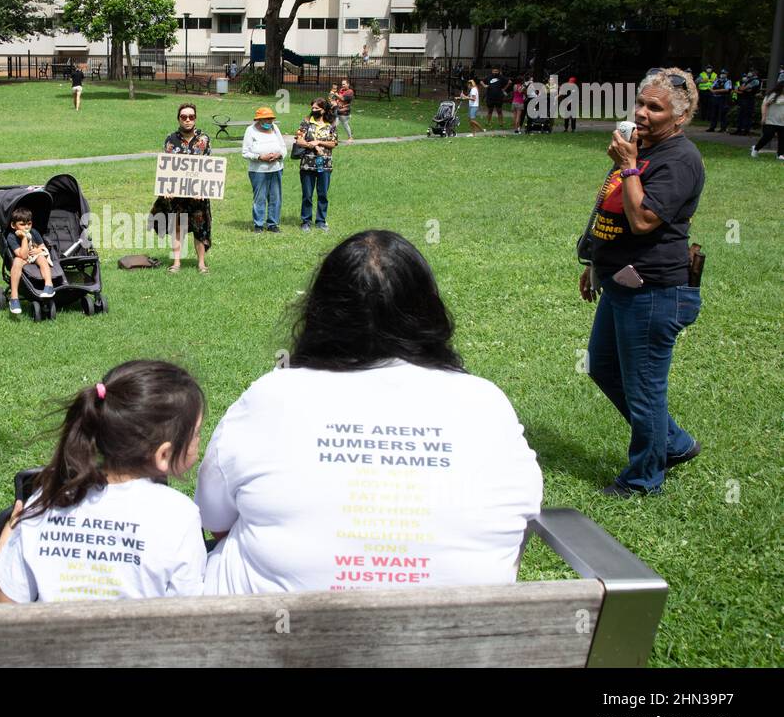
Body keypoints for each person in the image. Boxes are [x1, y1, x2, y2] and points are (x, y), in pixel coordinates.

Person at [195, 230, 543, 594]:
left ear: (318, 312)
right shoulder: (485, 405)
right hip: (458, 645)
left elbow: (214, 518)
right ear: (428, 310)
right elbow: (519, 520)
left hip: (268, 643)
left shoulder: (270, 396)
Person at [579, 67, 705, 497]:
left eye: (655, 107)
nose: (643, 113)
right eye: (640, 104)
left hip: (655, 290)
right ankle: (674, 443)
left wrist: (630, 167)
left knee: (644, 390)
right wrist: (596, 262)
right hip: (620, 282)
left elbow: (644, 219)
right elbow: (613, 214)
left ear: (680, 117)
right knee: (601, 365)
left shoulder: (680, 159)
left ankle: (643, 479)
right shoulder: (643, 149)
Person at [0, 360, 207, 602]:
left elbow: (7, 603)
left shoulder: (46, 499)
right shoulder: (179, 515)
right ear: (163, 455)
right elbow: (187, 614)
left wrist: (4, 552)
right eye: (196, 433)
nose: (199, 438)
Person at [149, 103, 212, 273]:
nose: (187, 120)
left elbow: (208, 167)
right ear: (179, 119)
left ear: (195, 118)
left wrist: (203, 190)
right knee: (178, 227)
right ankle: (176, 263)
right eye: (184, 117)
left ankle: (201, 264)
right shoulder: (171, 139)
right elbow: (167, 167)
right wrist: (167, 189)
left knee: (200, 230)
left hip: (198, 194)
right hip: (177, 195)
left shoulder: (204, 139)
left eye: (191, 116)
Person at [295, 98, 338, 232]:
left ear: (323, 110)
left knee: (323, 194)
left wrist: (318, 142)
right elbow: (299, 140)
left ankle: (321, 221)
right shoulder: (306, 122)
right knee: (307, 194)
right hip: (307, 164)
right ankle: (306, 221)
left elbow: (334, 143)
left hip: (325, 164)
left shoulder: (331, 124)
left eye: (317, 109)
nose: (314, 110)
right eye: (312, 108)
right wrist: (311, 145)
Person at [5, 206, 57, 315]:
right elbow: (23, 255)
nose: (26, 227)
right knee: (17, 261)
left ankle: (49, 285)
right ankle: (14, 297)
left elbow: (43, 247)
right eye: (22, 224)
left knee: (42, 257)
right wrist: (24, 238)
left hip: (34, 256)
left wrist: (38, 250)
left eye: (29, 224)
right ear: (13, 225)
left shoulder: (34, 232)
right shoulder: (11, 237)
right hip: (24, 258)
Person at [243, 106, 285, 232]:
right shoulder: (250, 130)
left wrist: (279, 155)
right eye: (266, 119)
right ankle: (259, 225)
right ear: (259, 120)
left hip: (276, 168)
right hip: (258, 171)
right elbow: (245, 152)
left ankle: (273, 224)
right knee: (259, 198)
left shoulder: (275, 128)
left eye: (270, 119)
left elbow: (283, 147)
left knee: (275, 197)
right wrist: (260, 157)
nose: (269, 122)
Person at [751, 80, 784, 158]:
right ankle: (756, 148)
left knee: (782, 138)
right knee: (768, 136)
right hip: (770, 120)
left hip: (782, 122)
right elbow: (764, 105)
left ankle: (780, 154)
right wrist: (763, 117)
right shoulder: (773, 95)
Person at [732, 69, 760, 135]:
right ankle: (739, 129)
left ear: (755, 73)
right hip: (743, 99)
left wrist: (742, 88)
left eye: (751, 72)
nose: (749, 73)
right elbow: (741, 89)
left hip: (749, 99)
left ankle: (746, 130)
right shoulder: (748, 80)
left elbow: (743, 89)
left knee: (747, 115)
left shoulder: (756, 80)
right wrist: (742, 88)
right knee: (740, 115)